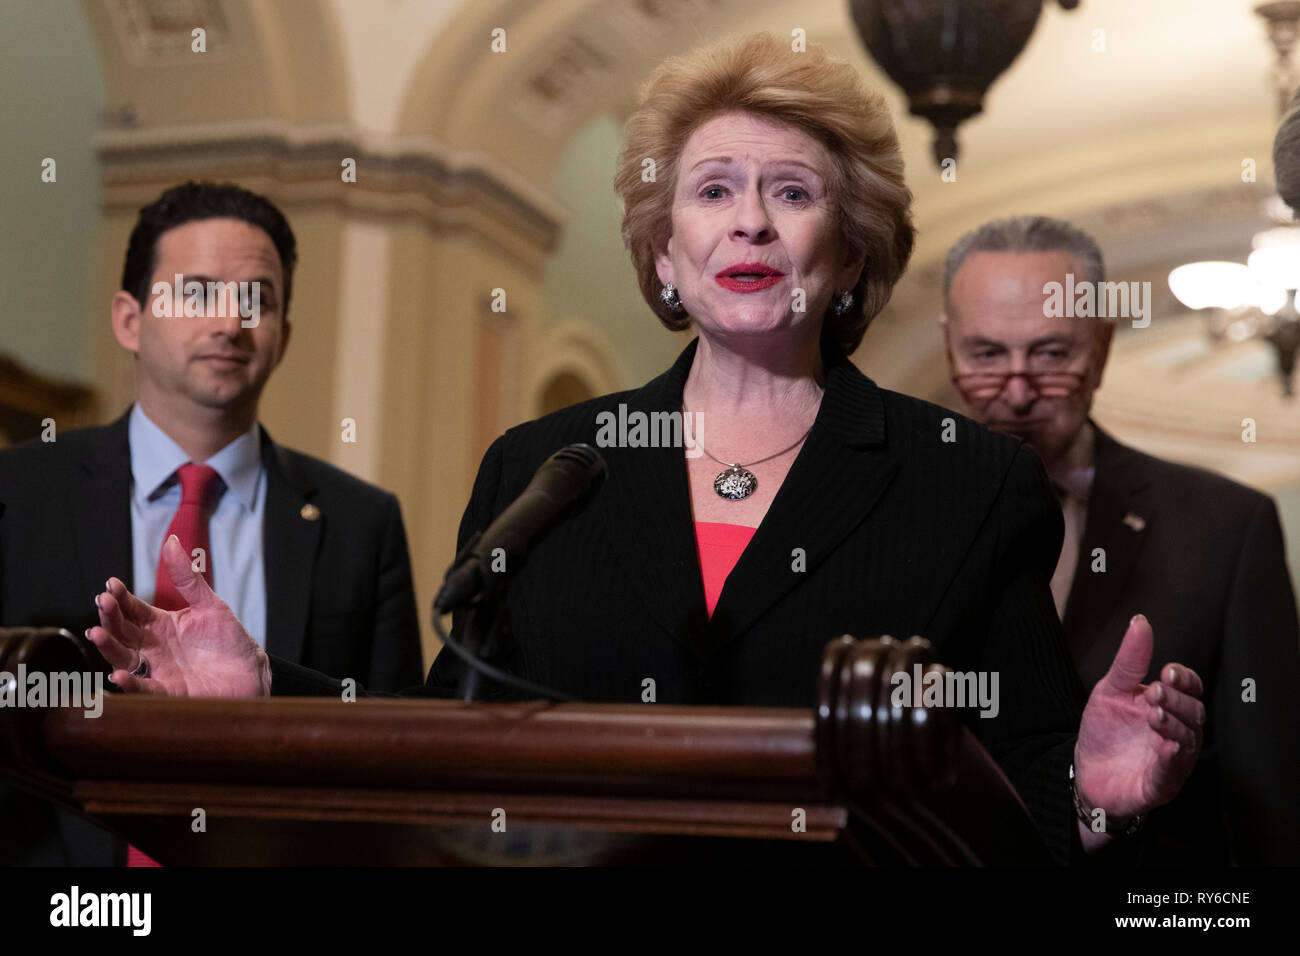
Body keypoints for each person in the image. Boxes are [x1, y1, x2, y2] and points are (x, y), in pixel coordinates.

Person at [89, 35, 1204, 866]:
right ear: (665, 257)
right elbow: (447, 754)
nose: (750, 222)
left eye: (792, 192)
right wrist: (262, 698)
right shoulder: (548, 463)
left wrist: (1098, 789)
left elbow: (1031, 787)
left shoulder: (967, 478)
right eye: (712, 191)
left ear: (852, 252)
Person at [0, 182, 423, 865]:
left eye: (256, 300)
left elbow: (399, 749)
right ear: (129, 320)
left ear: (282, 336)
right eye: (197, 294)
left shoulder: (360, 522)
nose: (230, 323)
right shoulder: (18, 493)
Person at [940, 214, 1300, 864]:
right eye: (988, 354)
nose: (1018, 390)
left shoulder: (1224, 525)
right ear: (948, 348)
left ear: (1101, 347)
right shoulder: (889, 515)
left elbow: (1266, 796)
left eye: (1052, 354)